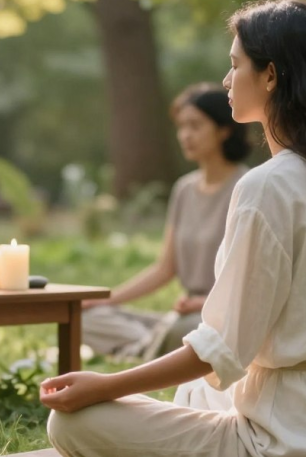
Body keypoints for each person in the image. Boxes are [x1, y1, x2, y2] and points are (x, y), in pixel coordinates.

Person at [42, 0, 306, 457]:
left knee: (72, 426)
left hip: (292, 452)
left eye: (235, 65)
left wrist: (105, 385)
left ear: (271, 76)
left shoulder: (267, 187)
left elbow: (220, 351)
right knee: (192, 393)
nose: (227, 79)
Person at [82, 84, 250, 361]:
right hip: (181, 314)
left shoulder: (247, 187)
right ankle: (157, 353)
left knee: (184, 328)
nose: (185, 135)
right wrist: (105, 300)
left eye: (195, 126)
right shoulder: (184, 189)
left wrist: (207, 302)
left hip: (220, 315)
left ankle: (144, 353)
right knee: (87, 318)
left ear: (225, 129)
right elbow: (164, 269)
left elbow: (252, 276)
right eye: (181, 126)